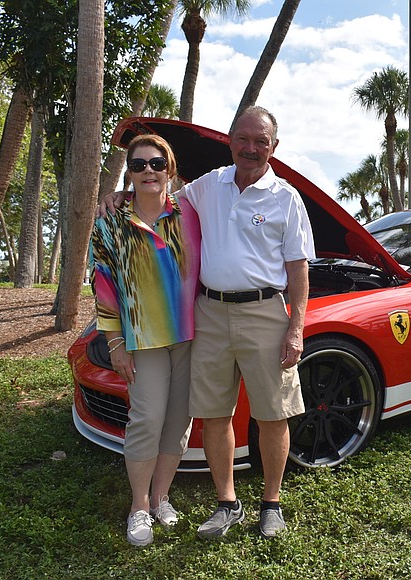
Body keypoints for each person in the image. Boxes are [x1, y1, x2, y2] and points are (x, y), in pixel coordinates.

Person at [104, 106, 315, 539]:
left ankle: (271, 504)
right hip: (210, 314)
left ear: (274, 147)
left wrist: (296, 328)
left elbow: (298, 268)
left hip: (264, 313)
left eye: (261, 141)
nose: (251, 148)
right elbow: (159, 197)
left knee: (273, 415)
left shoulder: (286, 197)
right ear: (230, 140)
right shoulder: (208, 185)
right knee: (216, 414)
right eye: (243, 138)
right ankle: (226, 503)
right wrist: (124, 196)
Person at [92, 134, 200, 546]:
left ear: (169, 168)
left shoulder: (191, 211)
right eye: (138, 165)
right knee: (147, 419)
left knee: (178, 423)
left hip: (190, 336)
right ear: (129, 173)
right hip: (143, 338)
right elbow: (102, 285)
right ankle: (138, 506)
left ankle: (160, 498)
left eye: (156, 163)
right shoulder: (110, 221)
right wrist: (116, 343)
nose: (148, 171)